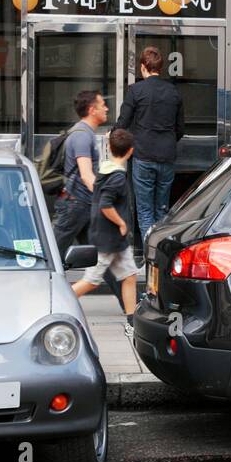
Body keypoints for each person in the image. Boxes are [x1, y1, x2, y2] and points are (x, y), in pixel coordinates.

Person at [115, 45, 184, 248]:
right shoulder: (174, 92)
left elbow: (123, 123)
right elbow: (180, 128)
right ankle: (160, 253)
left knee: (145, 211)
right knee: (161, 209)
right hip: (167, 156)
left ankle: (150, 255)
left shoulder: (136, 90)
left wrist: (114, 134)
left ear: (143, 66)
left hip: (144, 155)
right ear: (160, 68)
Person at [71, 129, 137, 337]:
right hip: (108, 238)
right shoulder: (116, 178)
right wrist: (121, 223)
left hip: (113, 239)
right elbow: (106, 205)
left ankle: (132, 321)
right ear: (131, 151)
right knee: (92, 280)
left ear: (109, 148)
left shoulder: (105, 171)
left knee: (130, 275)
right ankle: (57, 304)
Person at [53, 89, 108, 256]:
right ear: (92, 110)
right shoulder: (82, 136)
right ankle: (35, 280)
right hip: (75, 205)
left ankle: (118, 283)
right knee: (53, 256)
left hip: (81, 204)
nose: (106, 109)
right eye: (103, 105)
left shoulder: (84, 133)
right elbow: (86, 175)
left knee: (98, 256)